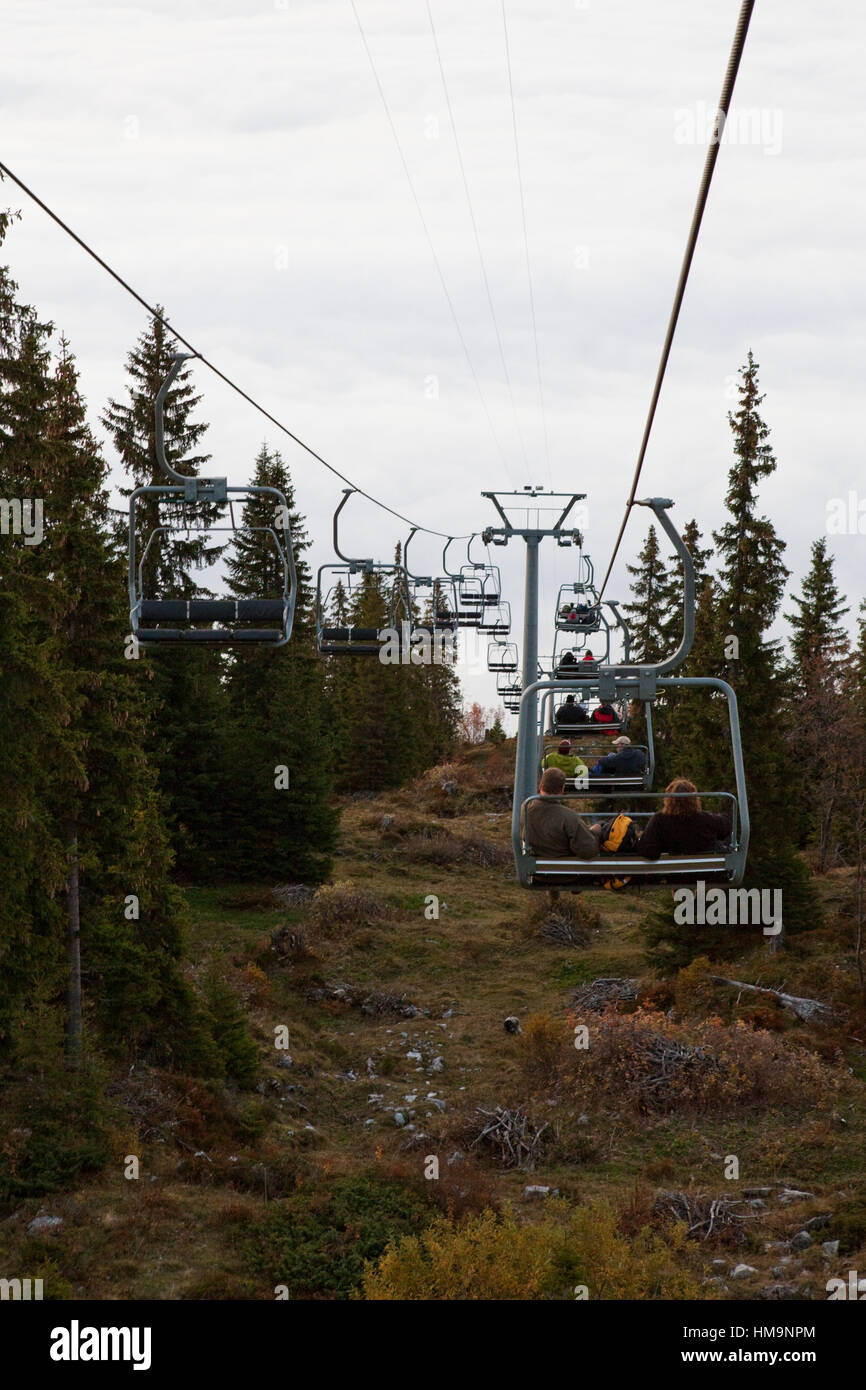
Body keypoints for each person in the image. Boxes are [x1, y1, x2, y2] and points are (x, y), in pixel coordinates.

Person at [633, 778, 732, 859]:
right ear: (694, 799)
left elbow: (647, 850)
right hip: (701, 878)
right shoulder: (705, 819)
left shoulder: (659, 820)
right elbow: (726, 828)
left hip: (672, 877)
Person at [521, 767, 600, 858]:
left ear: (540, 786)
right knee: (598, 827)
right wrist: (595, 834)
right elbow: (588, 851)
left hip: (536, 862)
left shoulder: (525, 807)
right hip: (564, 865)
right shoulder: (568, 817)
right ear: (562, 789)